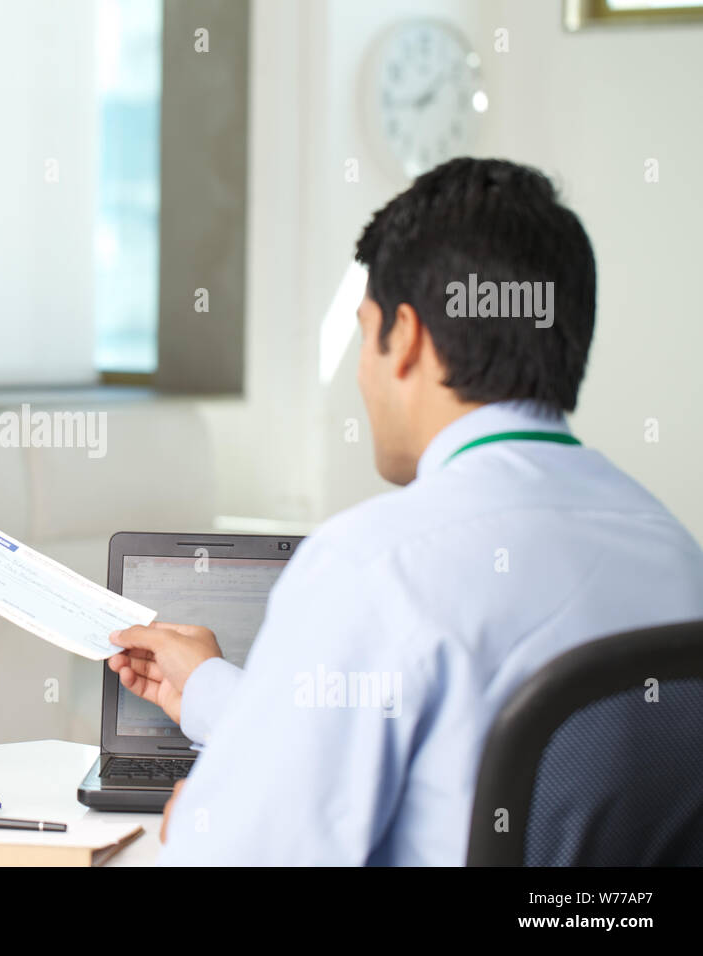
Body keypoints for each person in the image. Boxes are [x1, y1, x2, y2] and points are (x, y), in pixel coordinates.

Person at [109, 157, 703, 864]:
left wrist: (199, 827)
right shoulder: (674, 556)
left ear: (408, 337)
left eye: (366, 332)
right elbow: (460, 754)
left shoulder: (376, 566)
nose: (362, 370)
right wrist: (212, 691)